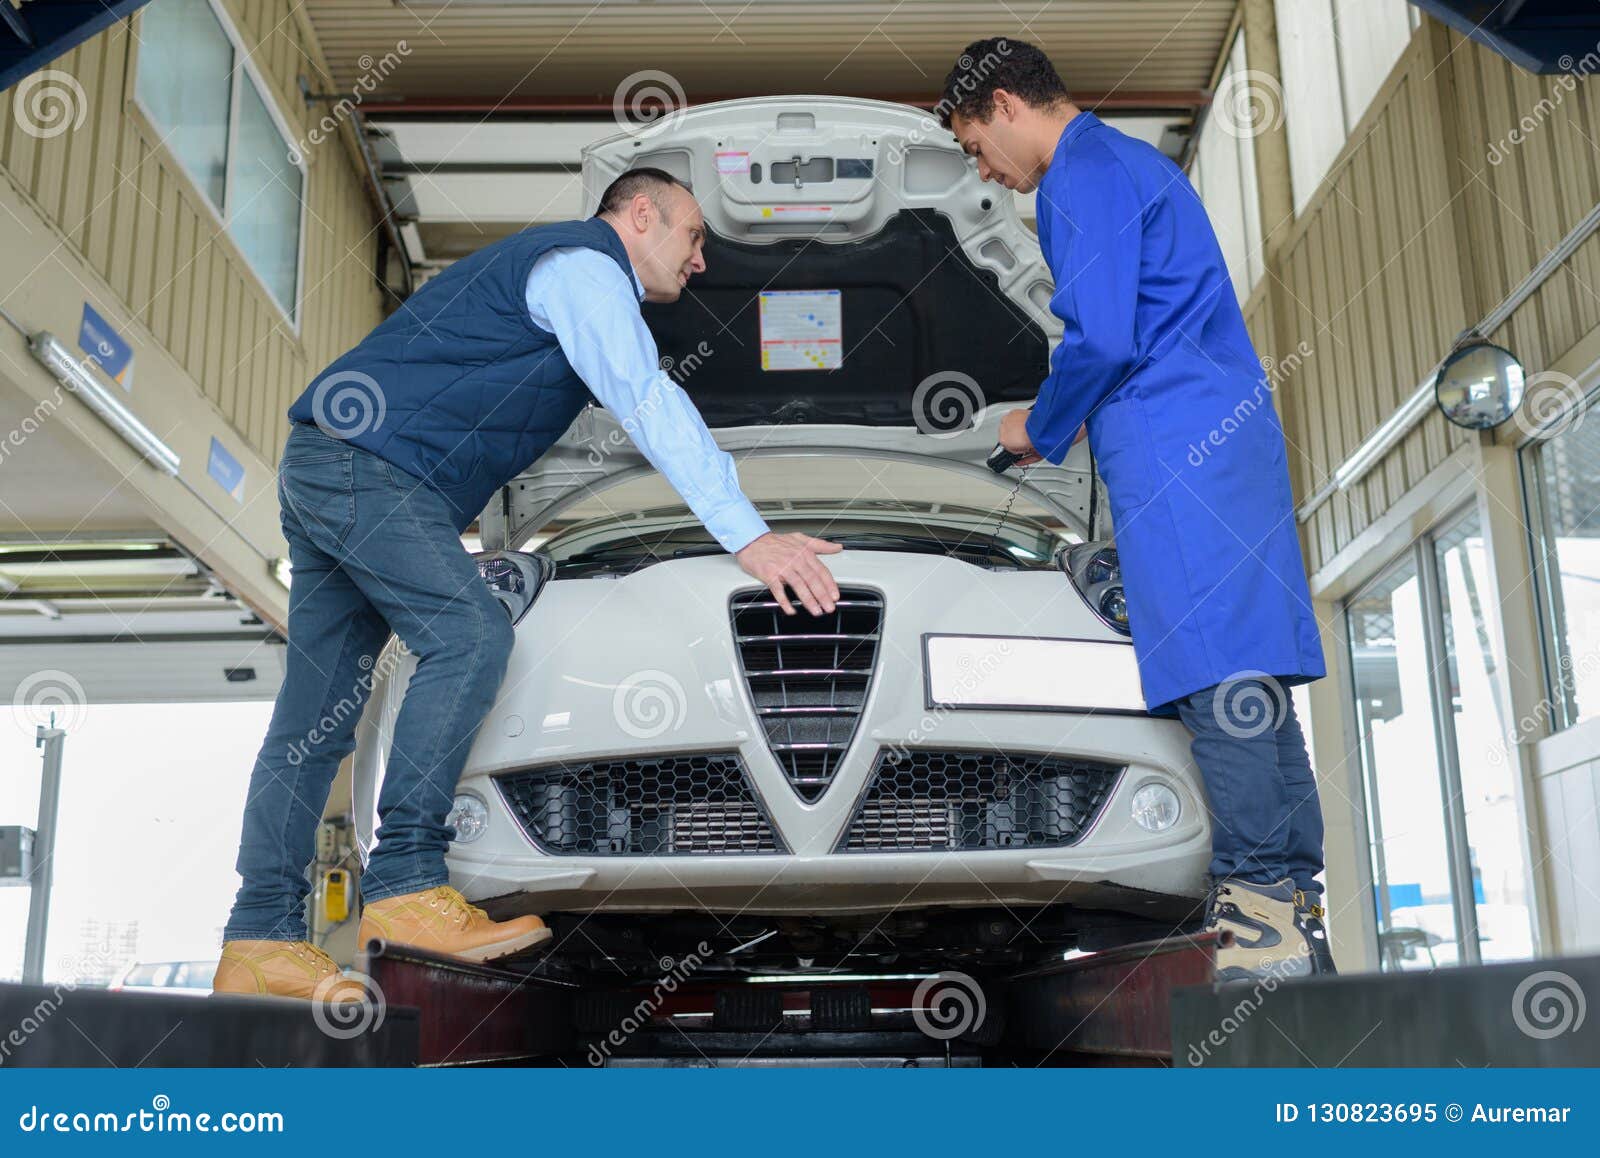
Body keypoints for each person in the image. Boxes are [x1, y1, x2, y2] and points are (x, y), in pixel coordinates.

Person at [213, 169, 841, 1002]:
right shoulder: (584, 267)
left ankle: (258, 942)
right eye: (694, 236)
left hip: (337, 462)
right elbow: (646, 398)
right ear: (642, 213)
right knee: (470, 634)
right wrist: (750, 537)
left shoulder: (552, 281)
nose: (700, 263)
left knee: (316, 715)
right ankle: (404, 887)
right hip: (368, 469)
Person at [939, 39, 1335, 981]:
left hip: (1175, 447)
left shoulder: (1081, 175)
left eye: (972, 147)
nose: (984, 172)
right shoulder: (1126, 164)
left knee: (1214, 678)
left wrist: (1042, 421)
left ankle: (1257, 914)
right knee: (1252, 679)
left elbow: (1103, 334)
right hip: (1217, 440)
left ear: (1002, 105)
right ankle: (1290, 903)